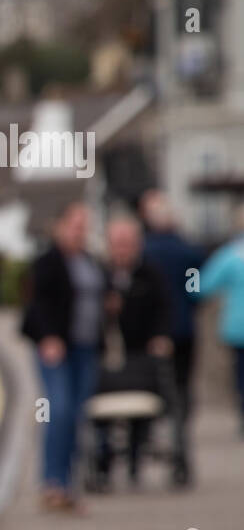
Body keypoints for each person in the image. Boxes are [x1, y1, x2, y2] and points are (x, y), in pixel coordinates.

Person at [20, 202, 104, 511]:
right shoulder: (47, 261)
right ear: (60, 227)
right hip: (57, 348)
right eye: (76, 225)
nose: (81, 232)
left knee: (77, 416)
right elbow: (36, 302)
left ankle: (67, 484)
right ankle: (51, 482)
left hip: (86, 347)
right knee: (60, 410)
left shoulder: (89, 261)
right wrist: (48, 336)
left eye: (85, 226)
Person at [93, 216, 175, 488]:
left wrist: (161, 338)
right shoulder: (99, 276)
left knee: (144, 413)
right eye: (117, 244)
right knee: (99, 417)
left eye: (127, 243)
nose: (122, 249)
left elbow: (165, 309)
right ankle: (102, 464)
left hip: (141, 358)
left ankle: (135, 463)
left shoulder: (151, 273)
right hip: (109, 360)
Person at [139, 190, 205, 481]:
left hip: (154, 333)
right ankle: (180, 452)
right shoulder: (187, 251)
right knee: (181, 392)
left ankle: (151, 448)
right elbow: (196, 289)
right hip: (183, 329)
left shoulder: (145, 251)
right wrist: (187, 304)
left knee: (154, 392)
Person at [200, 205, 244, 435]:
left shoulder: (230, 254)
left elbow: (203, 286)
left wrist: (190, 275)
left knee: (240, 375)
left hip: (238, 326)